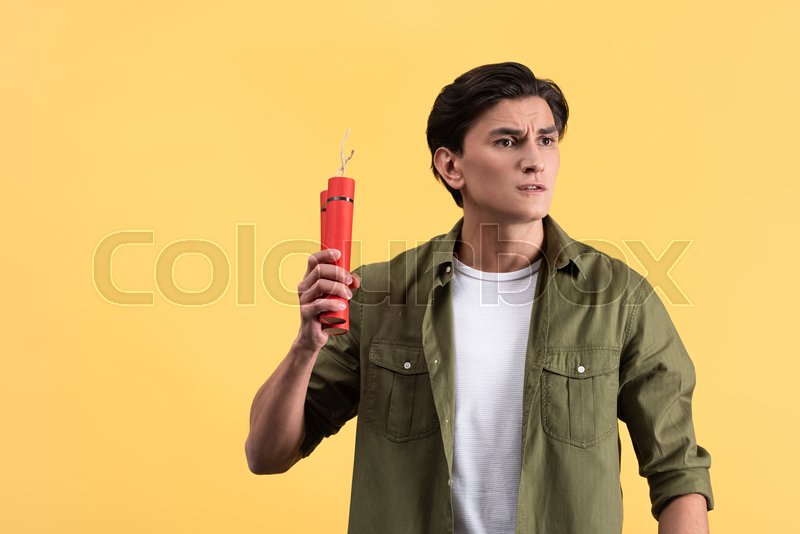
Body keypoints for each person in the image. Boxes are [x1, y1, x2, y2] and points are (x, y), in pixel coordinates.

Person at [245, 62, 714, 534]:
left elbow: (678, 473)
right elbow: (266, 454)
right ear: (451, 166)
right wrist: (306, 345)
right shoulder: (379, 297)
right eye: (507, 142)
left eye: (546, 140)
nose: (535, 160)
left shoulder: (619, 301)